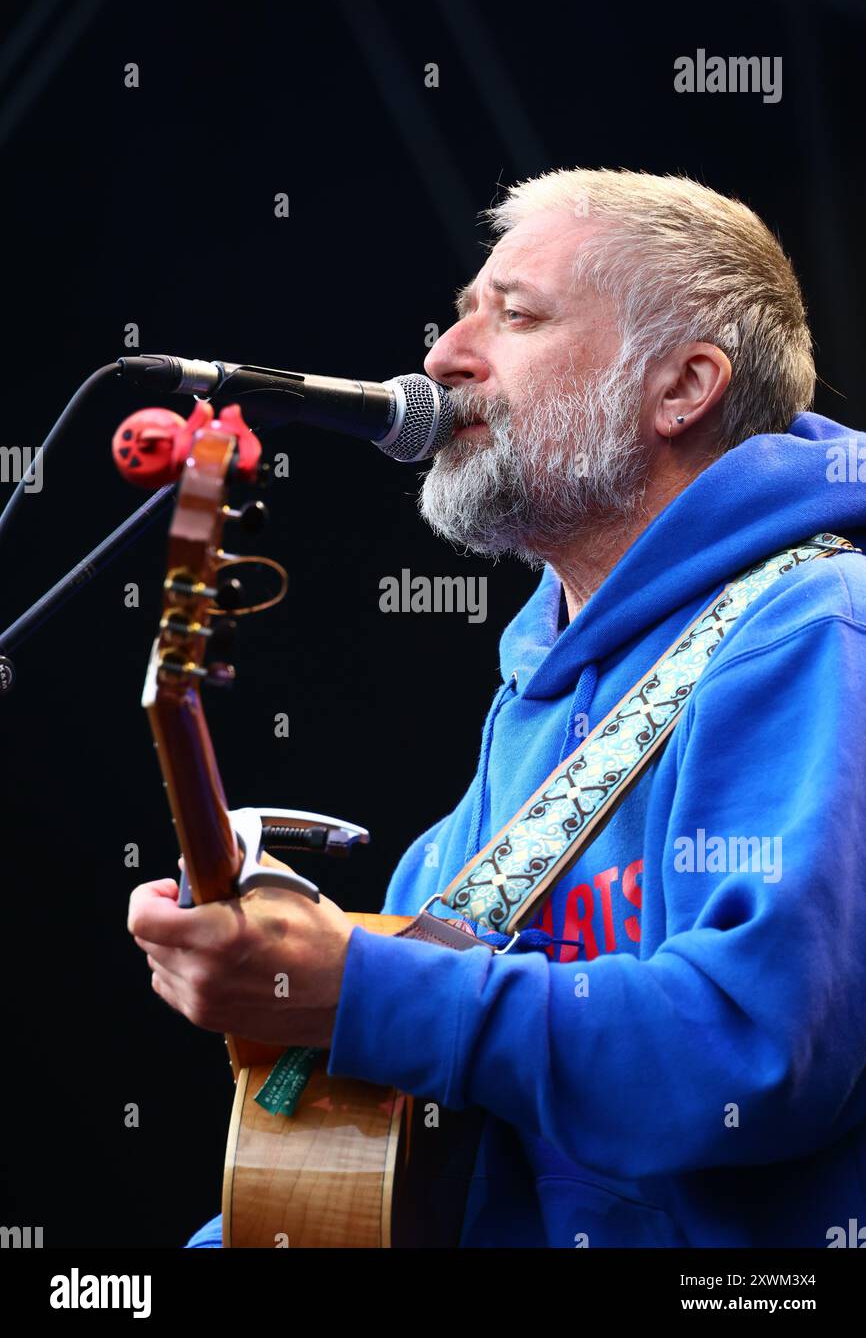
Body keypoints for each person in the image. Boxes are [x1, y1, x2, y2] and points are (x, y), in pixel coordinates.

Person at [129, 168, 866, 1248]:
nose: (441, 357)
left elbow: (755, 1048)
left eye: (512, 314)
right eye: (463, 310)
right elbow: (382, 1185)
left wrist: (360, 989)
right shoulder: (506, 762)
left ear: (682, 386)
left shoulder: (815, 627)